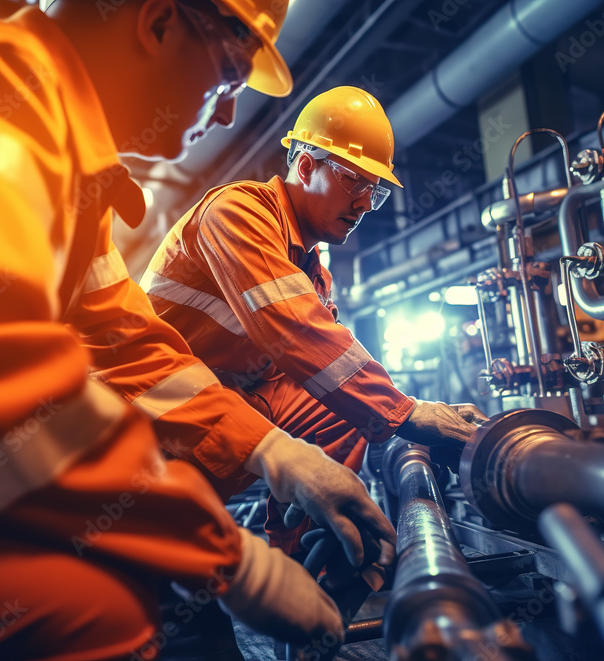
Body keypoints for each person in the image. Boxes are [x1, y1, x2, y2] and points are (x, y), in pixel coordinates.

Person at [0, 2, 390, 658]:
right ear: (157, 22)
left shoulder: (60, 156)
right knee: (96, 610)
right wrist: (229, 556)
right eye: (229, 79)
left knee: (142, 588)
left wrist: (271, 449)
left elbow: (128, 344)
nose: (230, 112)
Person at [142, 85, 487, 554]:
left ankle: (310, 558)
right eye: (355, 182)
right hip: (156, 416)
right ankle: (166, 553)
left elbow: (322, 368)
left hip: (224, 406)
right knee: (171, 586)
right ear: (305, 166)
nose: (365, 204)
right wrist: (406, 413)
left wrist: (408, 408)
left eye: (376, 191)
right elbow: (295, 329)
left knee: (345, 416)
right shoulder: (238, 214)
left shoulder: (311, 272)